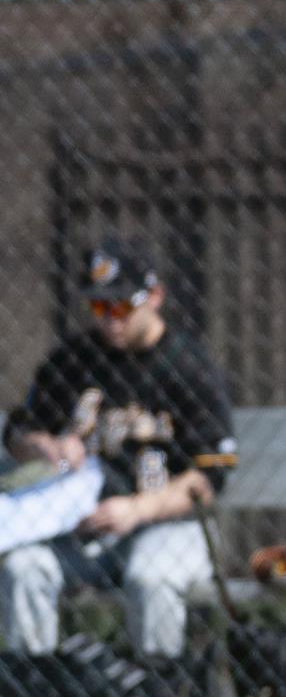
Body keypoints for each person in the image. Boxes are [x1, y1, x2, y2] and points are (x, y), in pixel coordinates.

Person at [2, 239, 237, 659]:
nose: (110, 320)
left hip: (166, 526)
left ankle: (154, 694)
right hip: (78, 528)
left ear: (156, 298)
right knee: (23, 568)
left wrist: (137, 509)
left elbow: (207, 479)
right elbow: (19, 431)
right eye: (98, 308)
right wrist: (47, 447)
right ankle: (33, 693)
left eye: (121, 307)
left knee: (150, 578)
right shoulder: (73, 360)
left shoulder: (189, 367)